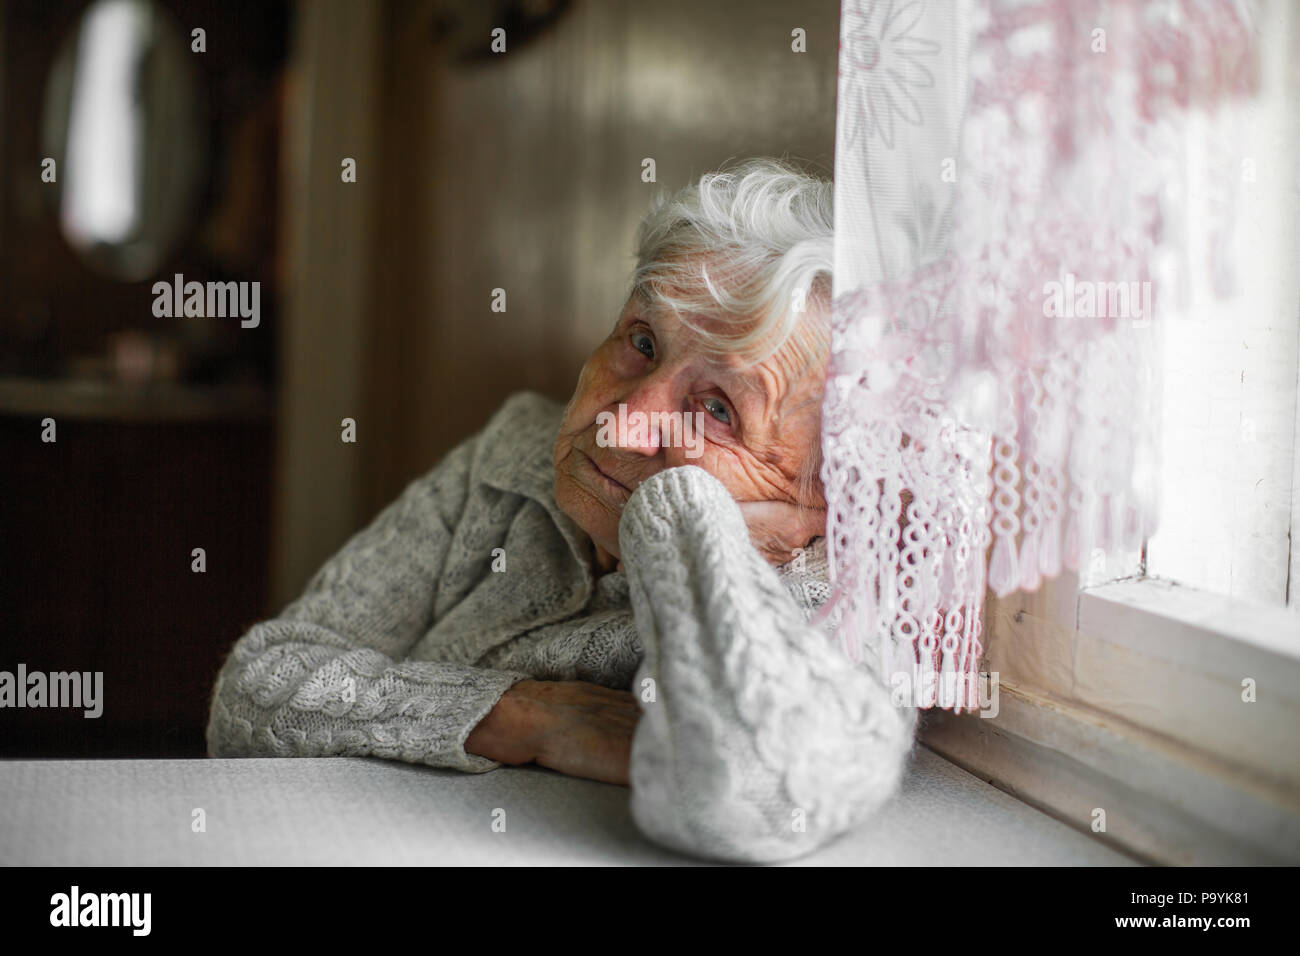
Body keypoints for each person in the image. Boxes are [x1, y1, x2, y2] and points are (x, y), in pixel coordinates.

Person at [206, 157, 918, 863]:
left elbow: (762, 795)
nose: (623, 424)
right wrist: (527, 715)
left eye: (717, 409)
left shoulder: (828, 596)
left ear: (831, 493)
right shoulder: (508, 461)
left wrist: (679, 519)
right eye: (643, 343)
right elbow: (251, 693)